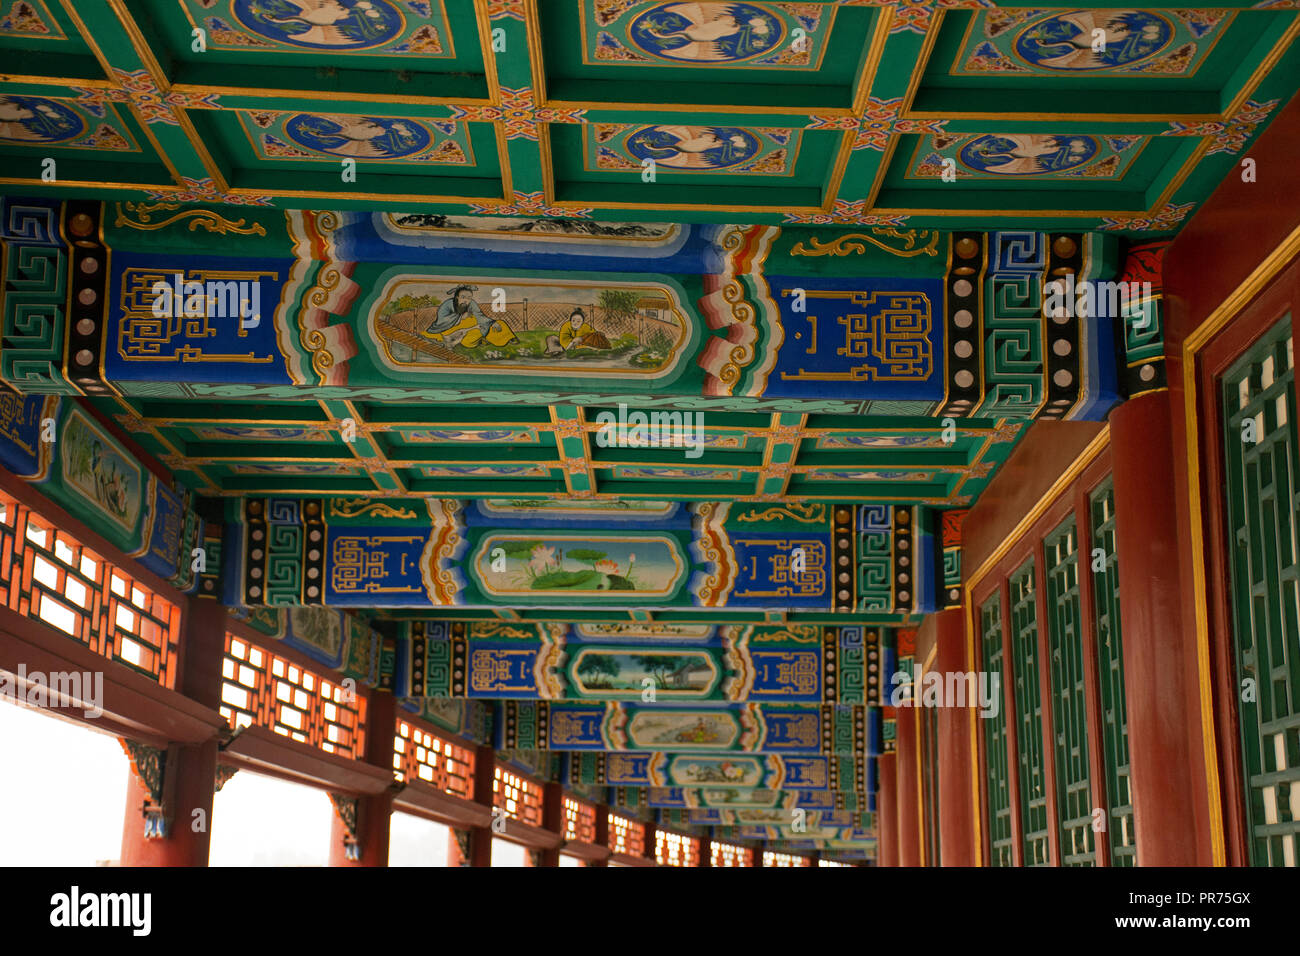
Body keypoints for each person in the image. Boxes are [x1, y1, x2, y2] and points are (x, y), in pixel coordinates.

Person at [420, 284, 517, 349]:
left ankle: (508, 337)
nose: (466, 300)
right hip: (449, 329)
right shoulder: (447, 305)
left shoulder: (471, 303)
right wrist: (460, 317)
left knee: (499, 323)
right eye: (463, 297)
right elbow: (441, 321)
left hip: (470, 327)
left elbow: (479, 315)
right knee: (467, 340)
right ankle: (479, 341)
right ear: (457, 297)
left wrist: (492, 322)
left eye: (469, 298)